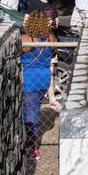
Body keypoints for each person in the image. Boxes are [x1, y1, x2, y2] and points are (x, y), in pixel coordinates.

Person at [20, 10, 55, 161]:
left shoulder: (26, 39)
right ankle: (31, 144)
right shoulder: (51, 38)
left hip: (29, 78)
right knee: (34, 108)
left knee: (30, 114)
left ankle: (33, 148)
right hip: (44, 78)